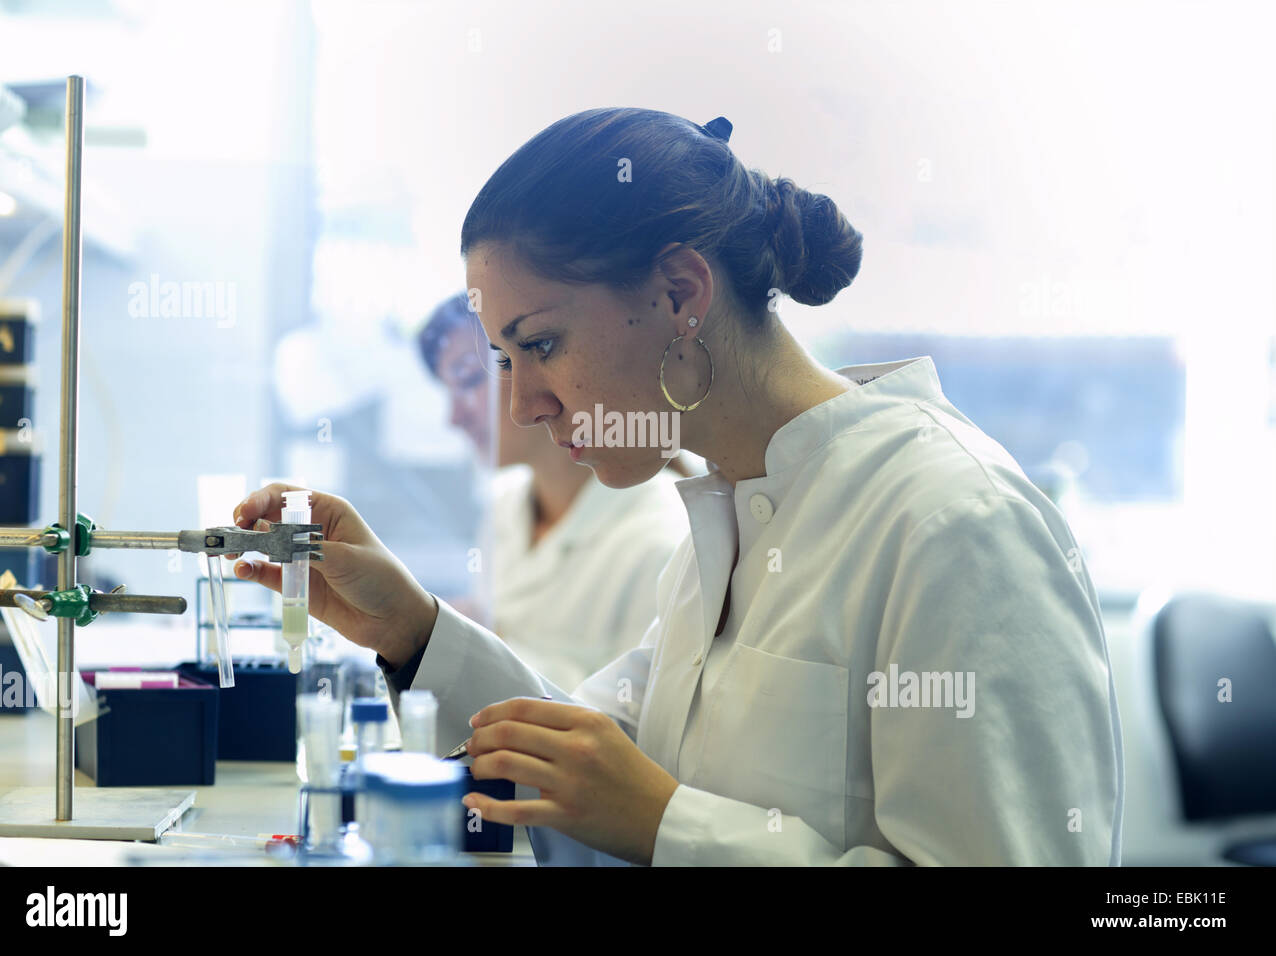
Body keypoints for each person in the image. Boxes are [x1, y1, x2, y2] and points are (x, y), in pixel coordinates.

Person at [231, 108, 1124, 866]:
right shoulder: (727, 513)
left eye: (539, 345)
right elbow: (588, 761)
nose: (524, 405)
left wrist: (668, 823)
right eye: (501, 360)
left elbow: (641, 803)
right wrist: (408, 628)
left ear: (679, 292)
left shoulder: (955, 523)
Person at [415, 291, 690, 689]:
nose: (454, 417)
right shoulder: (504, 509)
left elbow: (638, 725)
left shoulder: (664, 535)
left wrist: (477, 648)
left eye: (470, 380)